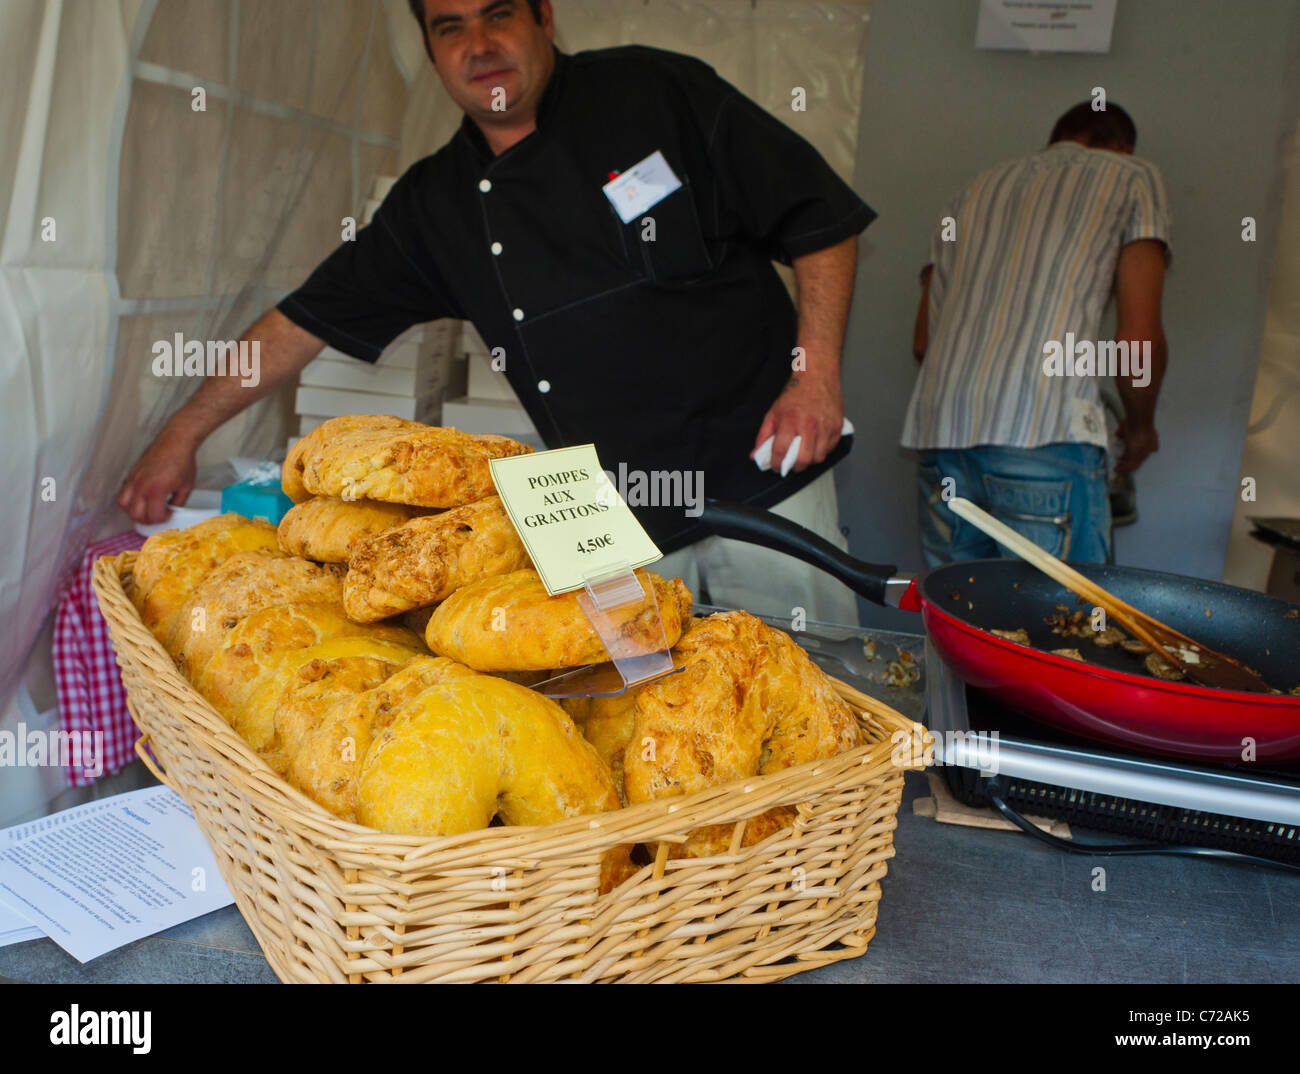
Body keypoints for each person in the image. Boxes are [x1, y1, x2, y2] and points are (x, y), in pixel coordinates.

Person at [117, 0, 873, 624]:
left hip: (762, 475)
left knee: (811, 701)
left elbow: (820, 221)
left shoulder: (656, 93)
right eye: (450, 28)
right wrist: (180, 435)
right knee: (636, 726)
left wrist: (814, 383)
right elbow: (301, 322)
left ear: (544, 17)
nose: (479, 45)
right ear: (431, 51)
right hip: (603, 515)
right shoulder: (434, 205)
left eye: (497, 14)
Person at [902, 100, 1170, 567]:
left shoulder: (973, 190)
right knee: (1054, 632)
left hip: (943, 437)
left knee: (956, 625)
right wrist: (1141, 427)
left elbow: (924, 342)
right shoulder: (1131, 176)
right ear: (1122, 147)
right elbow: (1136, 347)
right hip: (1047, 438)